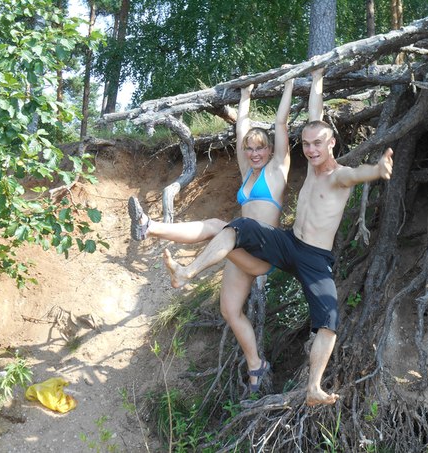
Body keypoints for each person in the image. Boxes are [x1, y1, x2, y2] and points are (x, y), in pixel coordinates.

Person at [162, 77, 394, 405]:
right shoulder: (312, 168)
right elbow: (315, 114)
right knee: (239, 226)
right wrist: (316, 77)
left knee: (328, 321)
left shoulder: (339, 175)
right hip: (289, 242)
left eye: (318, 144)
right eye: (307, 144)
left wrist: (378, 170)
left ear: (331, 143)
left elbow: (358, 174)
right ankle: (187, 272)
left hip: (315, 258)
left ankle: (314, 388)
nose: (311, 149)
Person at [128, 73, 308, 393]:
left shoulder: (277, 170)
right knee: (230, 310)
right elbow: (242, 128)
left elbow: (280, 123)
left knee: (215, 225)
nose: (254, 153)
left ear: (270, 150)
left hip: (264, 250)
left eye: (260, 148)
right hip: (242, 246)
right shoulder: (247, 173)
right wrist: (246, 94)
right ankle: (256, 365)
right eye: (249, 149)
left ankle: (165, 245)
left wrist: (289, 83)